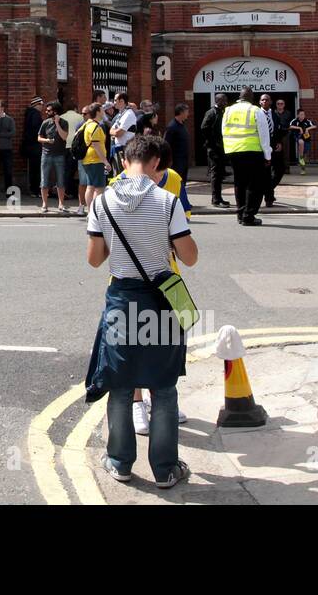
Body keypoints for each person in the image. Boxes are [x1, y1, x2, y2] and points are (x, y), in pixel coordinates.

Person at [84, 135, 198, 489]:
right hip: (161, 300)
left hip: (122, 297)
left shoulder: (101, 204)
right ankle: (164, 469)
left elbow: (94, 259)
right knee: (162, 387)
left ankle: (119, 462)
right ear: (153, 163)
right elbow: (190, 256)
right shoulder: (168, 202)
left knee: (121, 383)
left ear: (123, 162)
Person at [222, 88, 270, 226]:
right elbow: (264, 134)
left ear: (239, 97)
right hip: (252, 151)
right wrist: (267, 154)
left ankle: (240, 214)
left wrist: (228, 149)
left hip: (233, 151)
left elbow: (223, 130)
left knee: (239, 183)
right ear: (251, 97)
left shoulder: (228, 110)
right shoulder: (255, 110)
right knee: (254, 184)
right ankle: (248, 215)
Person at [75, 103, 110, 215]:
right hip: (96, 160)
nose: (104, 112)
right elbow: (96, 145)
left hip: (87, 159)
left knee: (90, 186)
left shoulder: (86, 124)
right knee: (99, 187)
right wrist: (105, 161)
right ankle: (95, 212)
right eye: (102, 110)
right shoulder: (95, 126)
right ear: (98, 111)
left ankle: (90, 211)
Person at [36, 102, 69, 213]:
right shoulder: (45, 123)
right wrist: (47, 141)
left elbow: (64, 137)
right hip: (46, 154)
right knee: (44, 179)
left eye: (49, 110)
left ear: (55, 112)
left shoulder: (64, 122)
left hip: (59, 154)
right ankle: (44, 204)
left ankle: (61, 204)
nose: (46, 112)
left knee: (60, 180)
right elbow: (39, 138)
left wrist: (57, 123)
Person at [200, 93, 229, 207]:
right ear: (218, 101)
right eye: (224, 100)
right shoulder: (211, 112)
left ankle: (219, 198)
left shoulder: (222, 112)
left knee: (220, 174)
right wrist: (212, 142)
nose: (226, 102)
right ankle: (216, 200)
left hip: (221, 148)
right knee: (215, 174)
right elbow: (204, 127)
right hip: (213, 149)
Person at [164, 103, 193, 213]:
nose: (188, 114)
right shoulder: (172, 126)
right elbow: (166, 144)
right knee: (177, 182)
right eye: (186, 111)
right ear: (181, 112)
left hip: (183, 159)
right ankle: (175, 203)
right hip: (176, 161)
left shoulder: (182, 125)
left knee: (183, 182)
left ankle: (182, 202)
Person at [20, 96, 44, 198]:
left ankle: (33, 189)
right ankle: (35, 190)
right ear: (36, 105)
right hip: (35, 145)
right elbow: (36, 129)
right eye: (41, 104)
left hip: (29, 145)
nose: (42, 106)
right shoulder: (35, 114)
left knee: (33, 168)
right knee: (36, 168)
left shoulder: (29, 113)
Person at [109, 93, 138, 163]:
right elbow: (110, 131)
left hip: (126, 150)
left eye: (115, 100)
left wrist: (114, 132)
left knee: (124, 173)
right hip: (119, 150)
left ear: (122, 101)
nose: (114, 103)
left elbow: (118, 133)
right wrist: (114, 132)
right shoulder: (121, 114)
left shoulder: (128, 114)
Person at [289, 108, 315, 175]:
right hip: (298, 136)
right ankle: (300, 157)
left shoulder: (307, 121)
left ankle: (303, 169)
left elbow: (314, 126)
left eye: (303, 114)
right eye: (301, 114)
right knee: (301, 142)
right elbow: (290, 126)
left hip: (307, 138)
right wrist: (299, 128)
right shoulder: (295, 121)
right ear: (298, 115)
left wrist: (307, 129)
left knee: (305, 154)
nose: (303, 115)